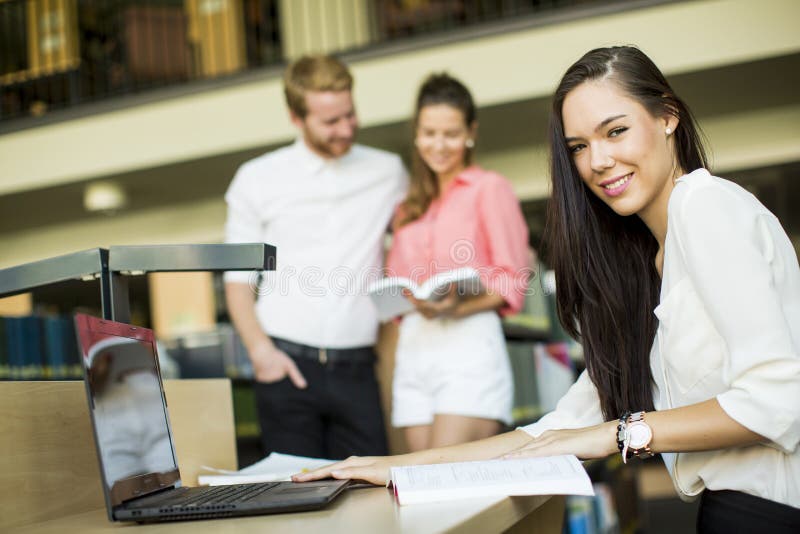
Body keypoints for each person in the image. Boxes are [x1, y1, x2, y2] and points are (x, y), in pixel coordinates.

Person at [294, 46, 800, 533]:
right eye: (579, 147)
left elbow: (776, 398)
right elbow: (553, 430)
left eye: (616, 131)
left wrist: (618, 434)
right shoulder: (646, 262)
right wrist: (397, 466)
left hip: (773, 511)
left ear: (668, 117)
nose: (598, 161)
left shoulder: (705, 208)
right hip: (732, 509)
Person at [224, 55, 407, 460]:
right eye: (330, 122)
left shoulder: (389, 171)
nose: (345, 129)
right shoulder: (256, 179)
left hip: (359, 368)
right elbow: (238, 282)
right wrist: (261, 354)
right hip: (286, 366)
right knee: (297, 503)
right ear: (296, 118)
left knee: (371, 498)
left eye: (350, 115)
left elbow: (400, 257)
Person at [384, 73, 529, 452]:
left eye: (450, 133)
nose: (439, 145)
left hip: (468, 348)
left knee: (448, 480)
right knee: (421, 486)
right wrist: (406, 299)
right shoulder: (407, 207)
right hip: (414, 351)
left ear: (470, 132)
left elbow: (512, 281)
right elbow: (398, 282)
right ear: (416, 134)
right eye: (429, 133)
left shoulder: (489, 189)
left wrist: (457, 305)